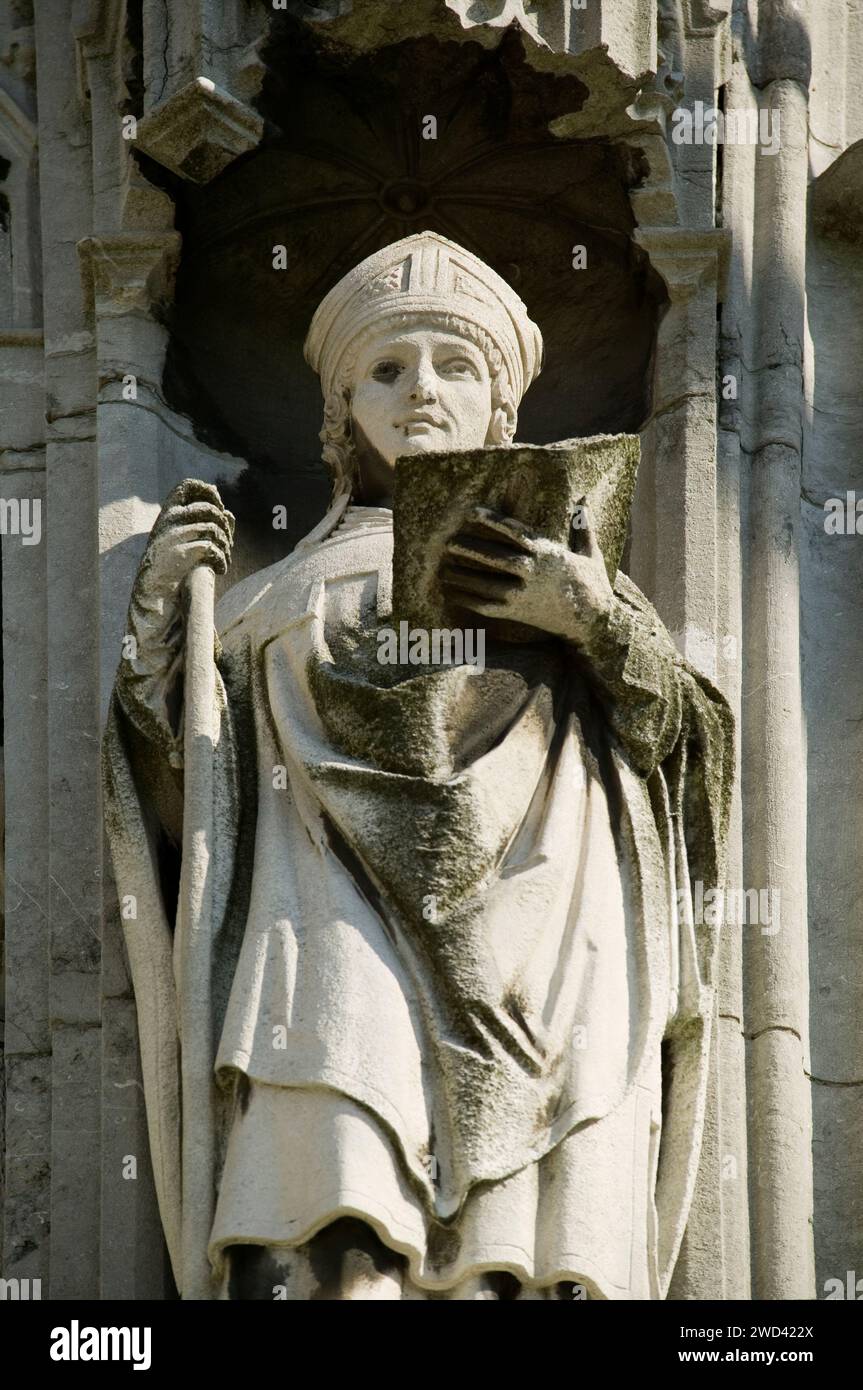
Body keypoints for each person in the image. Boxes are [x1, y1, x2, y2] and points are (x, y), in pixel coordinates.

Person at [104, 231, 733, 1300]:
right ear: (342, 409)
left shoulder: (582, 584)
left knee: (519, 1252)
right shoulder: (264, 607)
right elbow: (186, 819)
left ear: (501, 404)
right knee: (333, 1207)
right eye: (385, 370)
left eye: (454, 365)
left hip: (544, 938)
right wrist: (164, 623)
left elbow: (687, 761)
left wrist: (583, 618)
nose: (419, 392)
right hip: (326, 924)